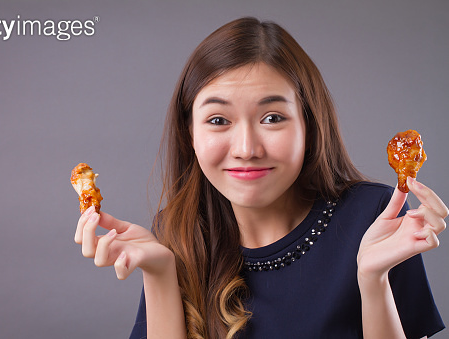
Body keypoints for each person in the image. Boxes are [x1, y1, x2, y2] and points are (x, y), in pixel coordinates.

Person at [74, 17, 447, 338]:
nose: (247, 148)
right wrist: (160, 275)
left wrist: (372, 281)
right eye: (218, 121)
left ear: (309, 126)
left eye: (272, 118)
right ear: (190, 135)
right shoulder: (178, 233)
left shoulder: (374, 216)